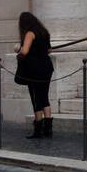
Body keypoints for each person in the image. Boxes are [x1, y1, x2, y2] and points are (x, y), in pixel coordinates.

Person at [15, 11, 54, 139]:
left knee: (36, 98)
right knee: (44, 97)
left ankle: (38, 130)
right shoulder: (44, 32)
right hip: (47, 67)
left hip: (34, 70)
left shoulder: (30, 33)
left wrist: (17, 49)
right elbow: (49, 50)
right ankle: (48, 129)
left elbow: (24, 51)